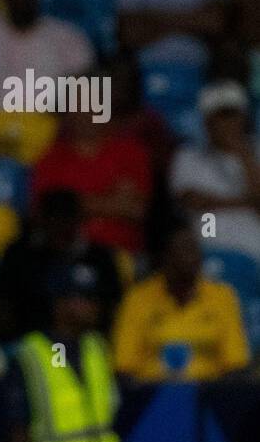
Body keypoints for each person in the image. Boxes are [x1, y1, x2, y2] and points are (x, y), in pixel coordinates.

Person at [7, 263, 121, 442]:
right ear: (60, 303)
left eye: (94, 298)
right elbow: (18, 426)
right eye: (84, 298)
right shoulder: (34, 351)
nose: (93, 306)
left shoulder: (96, 346)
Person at [112, 220, 251, 381]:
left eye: (194, 249)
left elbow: (236, 363)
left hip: (208, 394)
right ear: (165, 257)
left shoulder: (222, 296)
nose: (193, 257)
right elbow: (124, 366)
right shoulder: (138, 297)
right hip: (152, 394)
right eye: (183, 250)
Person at [0, 187, 123, 342]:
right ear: (42, 221)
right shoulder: (20, 255)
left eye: (66, 219)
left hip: (86, 342)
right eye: (55, 219)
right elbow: (3, 307)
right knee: (57, 357)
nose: (61, 226)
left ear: (78, 220)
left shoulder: (99, 257)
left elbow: (113, 309)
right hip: (33, 341)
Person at [30, 100, 152, 257]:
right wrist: (114, 200)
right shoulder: (50, 160)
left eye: (91, 106)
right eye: (78, 107)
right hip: (66, 254)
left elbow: (137, 210)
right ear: (67, 114)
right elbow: (46, 213)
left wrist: (76, 202)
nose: (85, 114)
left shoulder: (131, 152)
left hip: (124, 253)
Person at [170, 79, 260, 265]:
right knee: (207, 223)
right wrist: (246, 202)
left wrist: (245, 156)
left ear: (244, 117)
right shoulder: (189, 156)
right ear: (207, 121)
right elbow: (193, 201)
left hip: (254, 249)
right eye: (221, 116)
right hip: (210, 243)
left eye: (233, 115)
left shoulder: (255, 152)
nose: (229, 123)